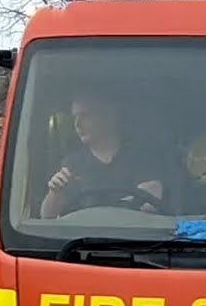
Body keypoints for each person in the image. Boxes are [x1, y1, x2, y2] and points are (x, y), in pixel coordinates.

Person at [40, 91, 175, 219]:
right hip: (83, 234)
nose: (77, 124)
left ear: (108, 117)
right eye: (75, 117)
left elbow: (149, 205)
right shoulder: (72, 164)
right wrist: (55, 192)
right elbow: (47, 218)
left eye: (85, 116)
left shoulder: (143, 157)